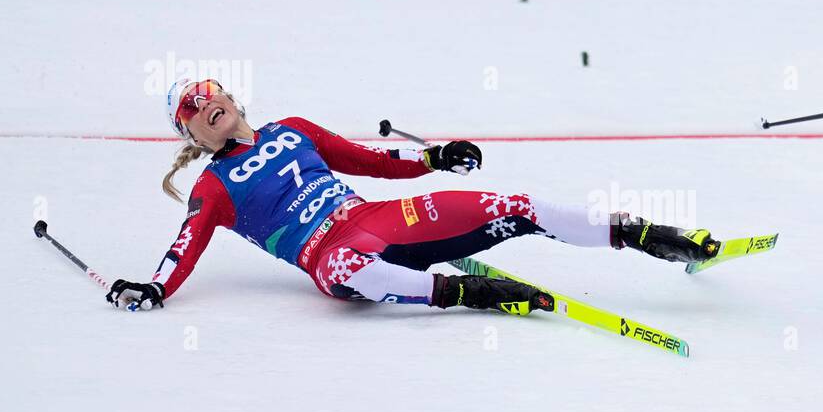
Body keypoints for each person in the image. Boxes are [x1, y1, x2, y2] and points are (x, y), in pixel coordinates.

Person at [104, 78, 722, 312]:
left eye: (208, 90)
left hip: (378, 218)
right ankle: (468, 293)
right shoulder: (213, 187)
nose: (203, 103)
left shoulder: (293, 130)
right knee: (347, 270)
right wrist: (155, 287)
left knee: (517, 207)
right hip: (331, 253)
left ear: (234, 98)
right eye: (188, 109)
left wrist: (432, 158)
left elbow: (368, 160)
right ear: (187, 132)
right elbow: (185, 245)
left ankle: (646, 236)